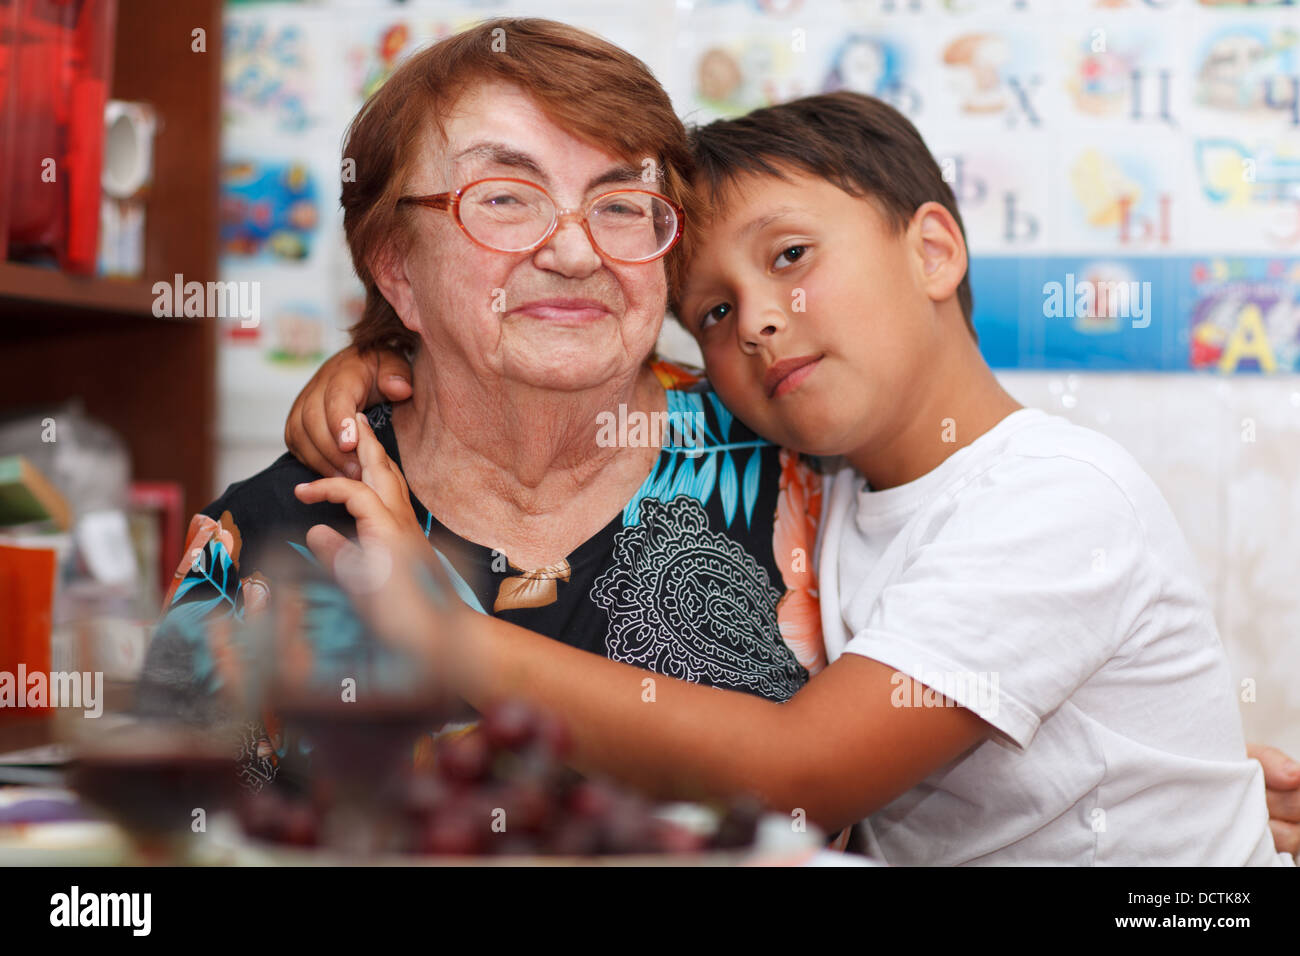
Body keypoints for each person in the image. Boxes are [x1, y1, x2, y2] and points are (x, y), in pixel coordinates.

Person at [293, 91, 1298, 865]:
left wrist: (449, 636)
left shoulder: (1054, 495)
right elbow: (583, 372)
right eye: (716, 311)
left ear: (934, 249)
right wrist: (384, 366)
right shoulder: (812, 471)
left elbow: (800, 773)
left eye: (790, 255)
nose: (759, 319)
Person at [138, 19, 834, 810]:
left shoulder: (799, 469)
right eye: (505, 197)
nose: (575, 254)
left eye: (619, 203)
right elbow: (161, 844)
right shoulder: (261, 542)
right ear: (396, 266)